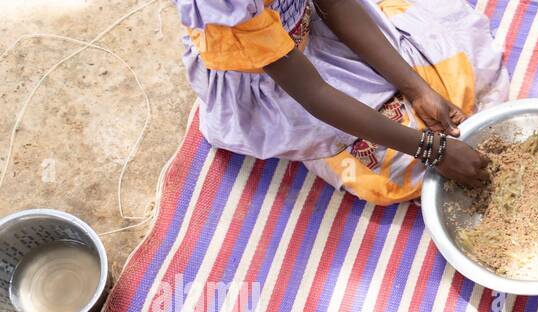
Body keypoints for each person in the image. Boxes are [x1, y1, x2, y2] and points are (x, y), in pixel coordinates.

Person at [176, 0, 511, 203]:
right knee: (398, 170)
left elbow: (335, 5)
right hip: (272, 80)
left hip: (311, 26)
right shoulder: (224, 7)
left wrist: (415, 87)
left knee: (456, 82)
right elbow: (311, 92)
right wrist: (429, 149)